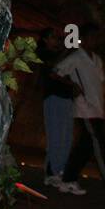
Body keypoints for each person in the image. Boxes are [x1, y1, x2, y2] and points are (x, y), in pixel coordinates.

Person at [55, 23, 105, 202]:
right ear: (85, 38)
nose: (95, 41)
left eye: (97, 38)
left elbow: (102, 86)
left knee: (85, 146)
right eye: (92, 37)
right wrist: (72, 85)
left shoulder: (97, 59)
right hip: (85, 108)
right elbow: (55, 72)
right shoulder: (76, 57)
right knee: (101, 147)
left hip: (97, 109)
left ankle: (68, 179)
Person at [39, 28, 75, 189]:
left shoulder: (63, 54)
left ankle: (58, 170)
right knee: (55, 136)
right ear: (45, 39)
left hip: (67, 98)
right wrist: (68, 50)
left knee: (66, 137)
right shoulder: (44, 53)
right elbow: (54, 68)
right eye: (53, 37)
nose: (57, 41)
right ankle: (51, 172)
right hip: (53, 98)